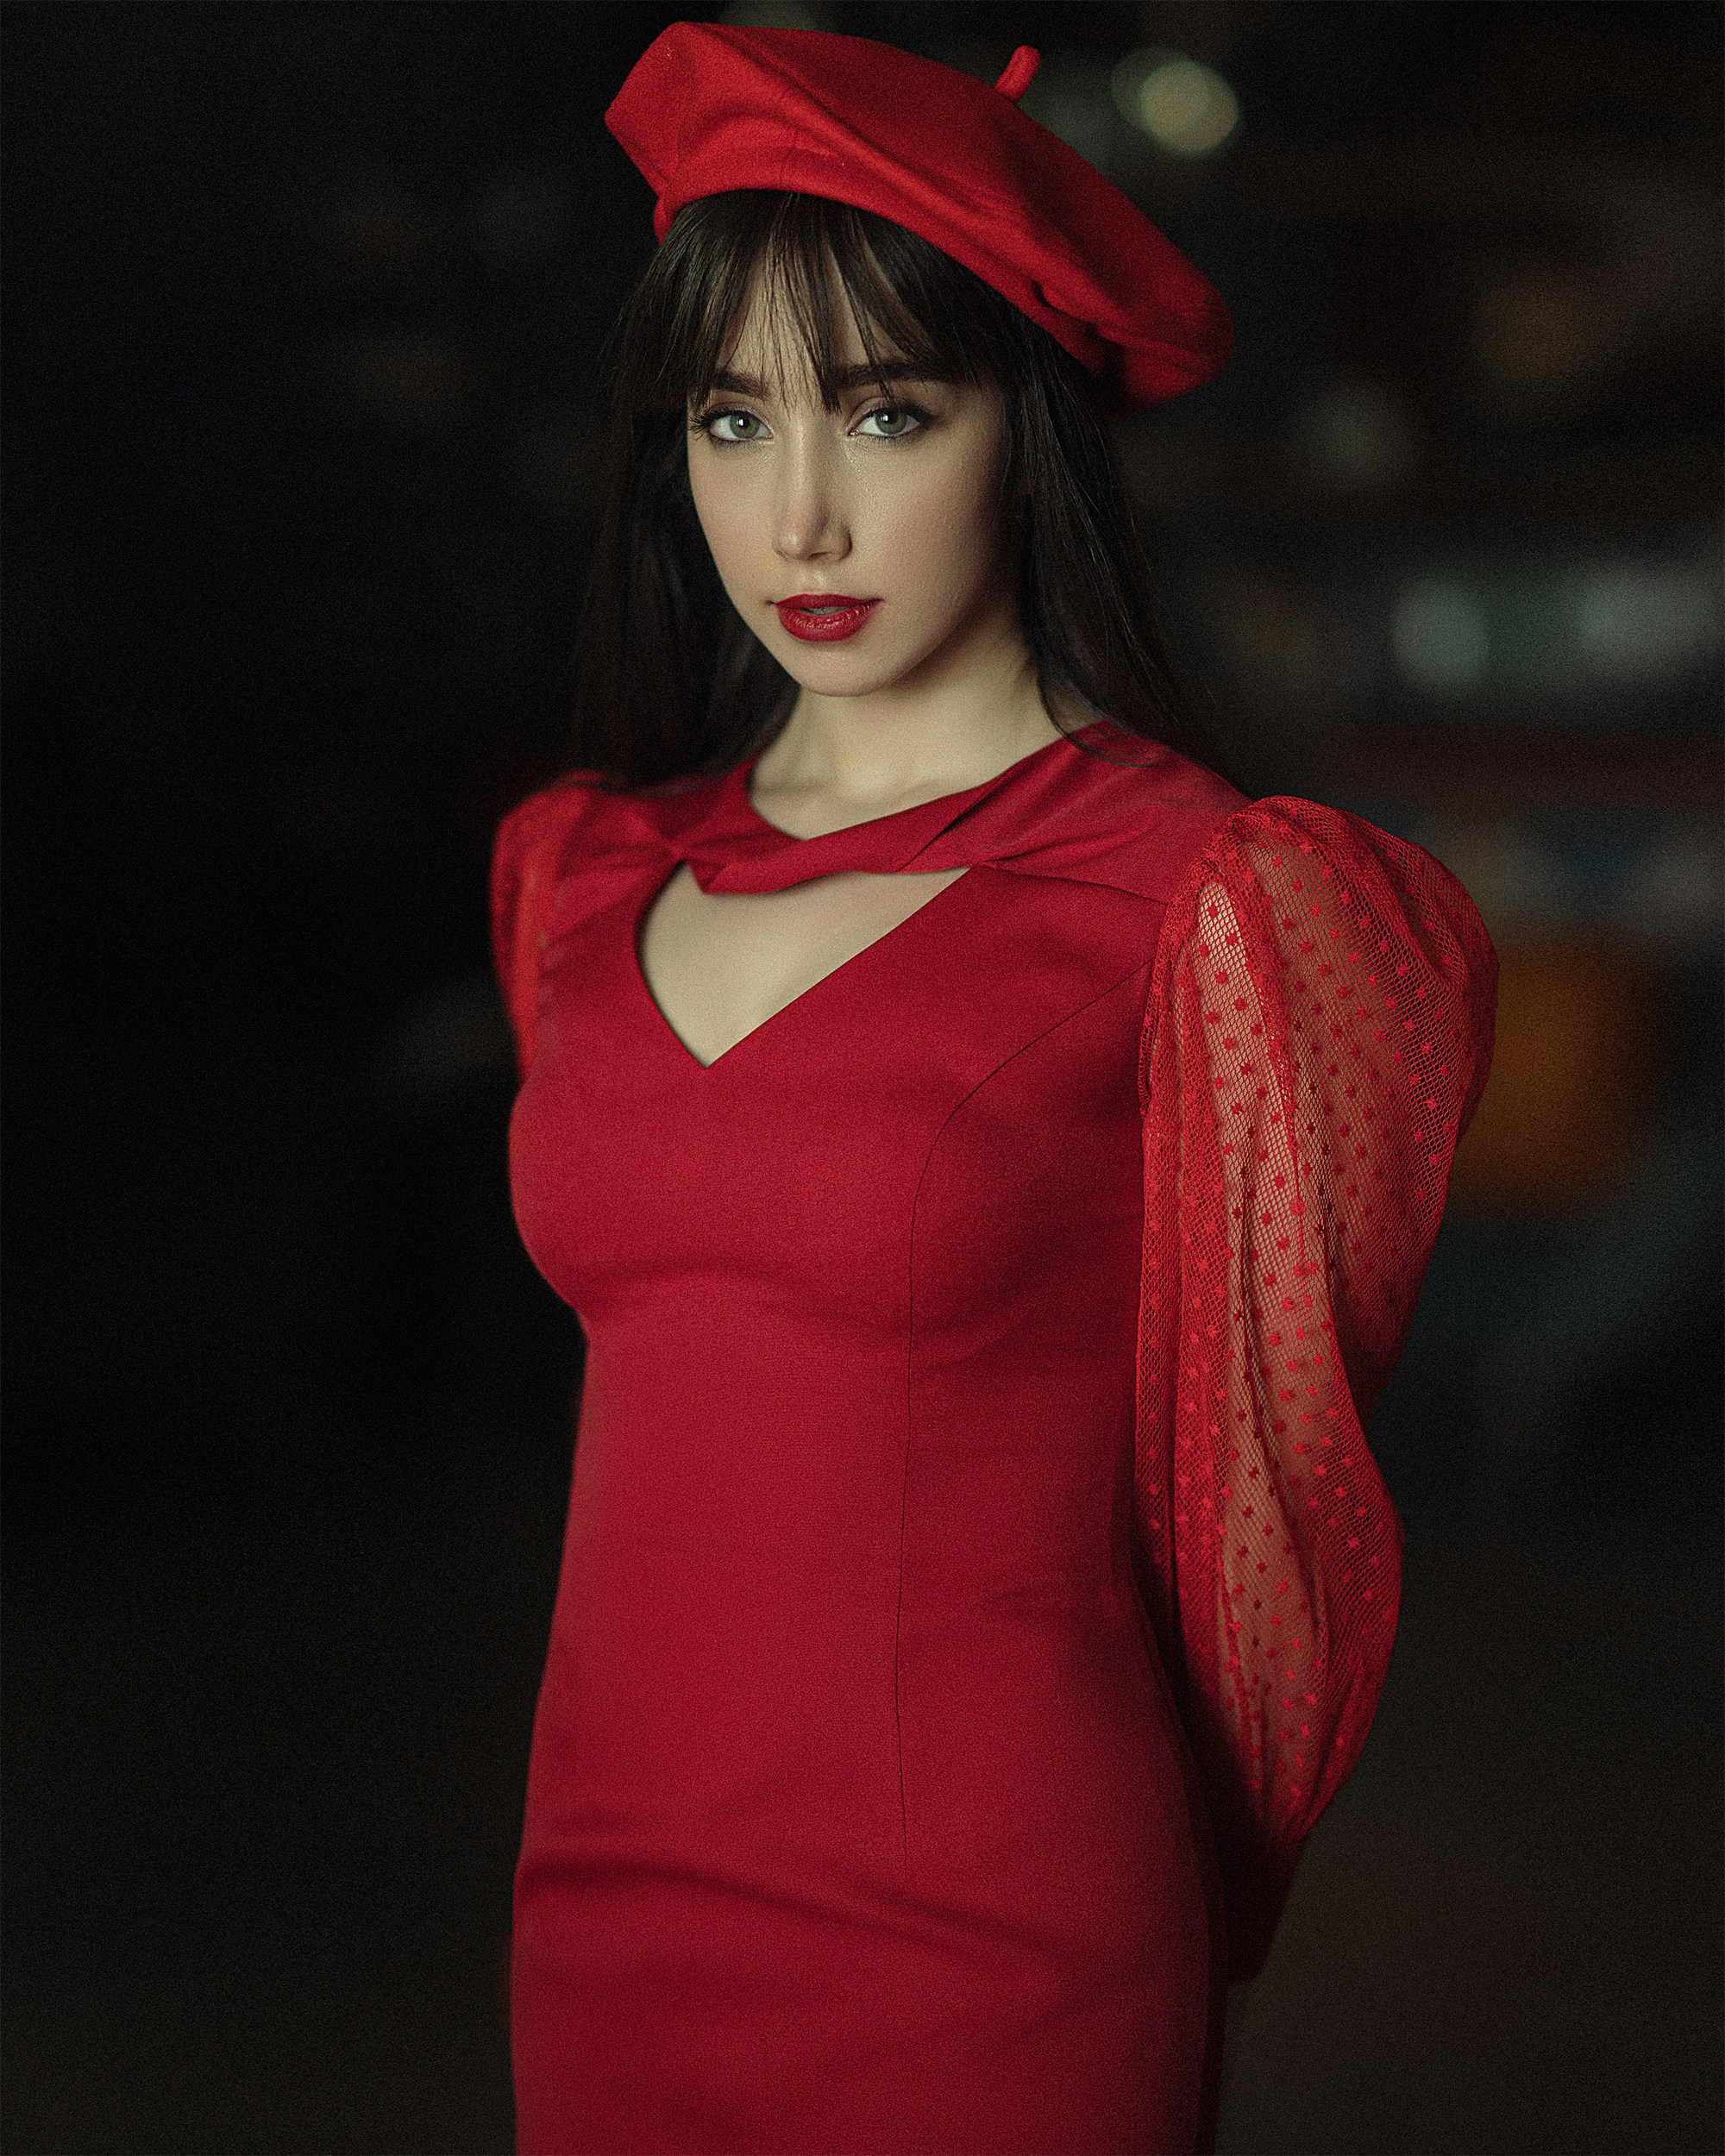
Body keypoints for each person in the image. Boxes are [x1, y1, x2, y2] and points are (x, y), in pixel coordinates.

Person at [490, 24, 1496, 2156]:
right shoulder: (576, 870)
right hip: (603, 1889)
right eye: (731, 416)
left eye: (884, 409)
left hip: (990, 1920)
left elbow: (1270, 1480)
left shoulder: (1212, 895)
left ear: (1018, 426)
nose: (803, 509)